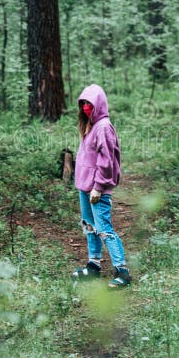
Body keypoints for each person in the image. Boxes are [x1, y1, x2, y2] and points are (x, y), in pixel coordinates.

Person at [70, 84, 132, 288]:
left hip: (97, 188)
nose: (86, 107)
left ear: (99, 104)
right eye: (84, 103)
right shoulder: (90, 125)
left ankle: (122, 272)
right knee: (90, 226)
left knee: (104, 228)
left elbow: (107, 161)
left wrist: (98, 186)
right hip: (85, 187)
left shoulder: (104, 127)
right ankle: (93, 266)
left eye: (90, 103)